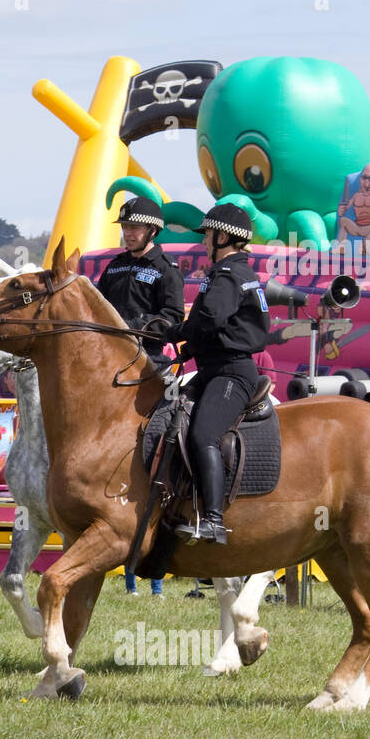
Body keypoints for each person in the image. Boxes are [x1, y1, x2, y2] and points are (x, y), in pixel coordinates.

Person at [162, 203, 268, 544]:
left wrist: (173, 331)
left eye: (207, 235)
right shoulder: (235, 273)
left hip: (231, 374)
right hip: (214, 367)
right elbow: (219, 328)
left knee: (203, 436)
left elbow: (209, 321)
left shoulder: (228, 275)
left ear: (223, 236)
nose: (204, 241)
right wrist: (192, 347)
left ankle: (213, 520)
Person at [97, 197, 185, 368]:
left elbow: (173, 317)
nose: (128, 233)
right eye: (125, 227)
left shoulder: (166, 269)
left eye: (134, 227)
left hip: (148, 357)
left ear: (152, 231)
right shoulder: (114, 266)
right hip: (108, 352)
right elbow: (96, 305)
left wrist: (129, 327)